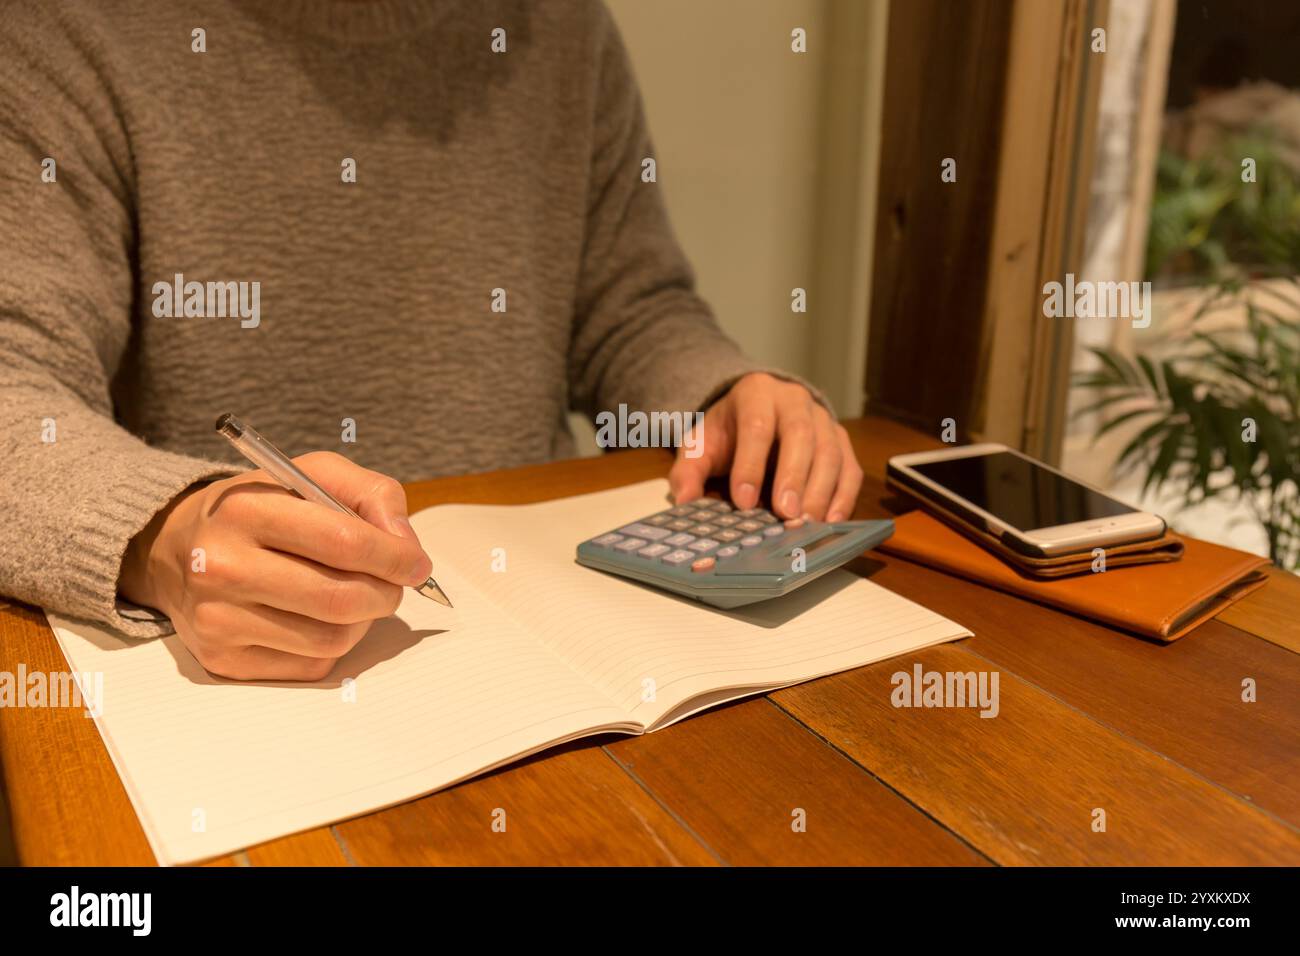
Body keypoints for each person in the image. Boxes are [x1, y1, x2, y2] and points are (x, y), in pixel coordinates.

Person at [0, 0, 862, 681]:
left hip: (548, 625)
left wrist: (724, 395)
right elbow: (13, 383)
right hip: (228, 674)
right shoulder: (68, 27)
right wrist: (163, 530)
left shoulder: (559, 27)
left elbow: (629, 309)